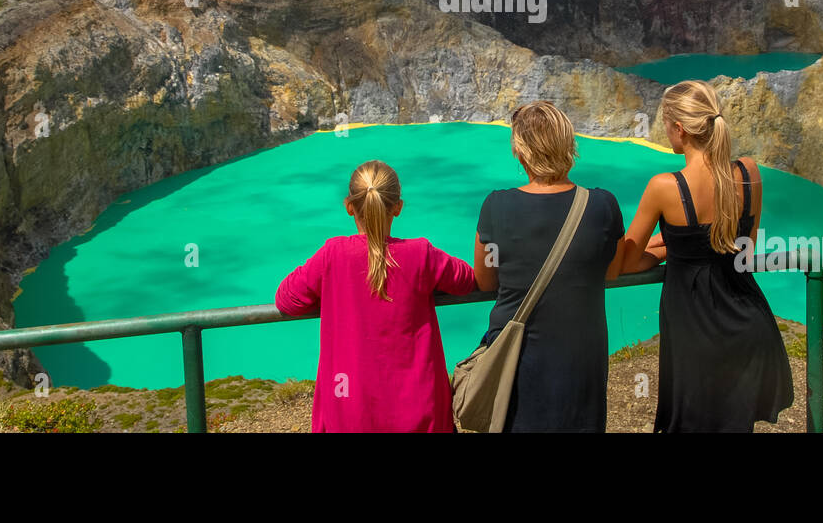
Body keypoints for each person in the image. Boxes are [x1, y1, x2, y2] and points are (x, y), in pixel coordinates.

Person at [618, 80, 794, 432]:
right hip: (749, 325)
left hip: (695, 335)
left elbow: (626, 261)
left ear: (679, 130)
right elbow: (743, 246)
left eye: (665, 124)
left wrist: (666, 249)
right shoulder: (748, 173)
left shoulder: (665, 187)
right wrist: (679, 245)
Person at [276, 159, 474, 432]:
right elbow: (466, 280)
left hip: (349, 415)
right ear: (398, 207)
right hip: (420, 412)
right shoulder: (421, 254)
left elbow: (287, 299)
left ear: (349, 207)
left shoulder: (333, 254)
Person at [472, 101, 625, 431]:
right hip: (581, 363)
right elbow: (611, 271)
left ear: (521, 153)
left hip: (516, 362)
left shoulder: (496, 206)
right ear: (569, 145)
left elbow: (485, 281)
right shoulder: (602, 205)